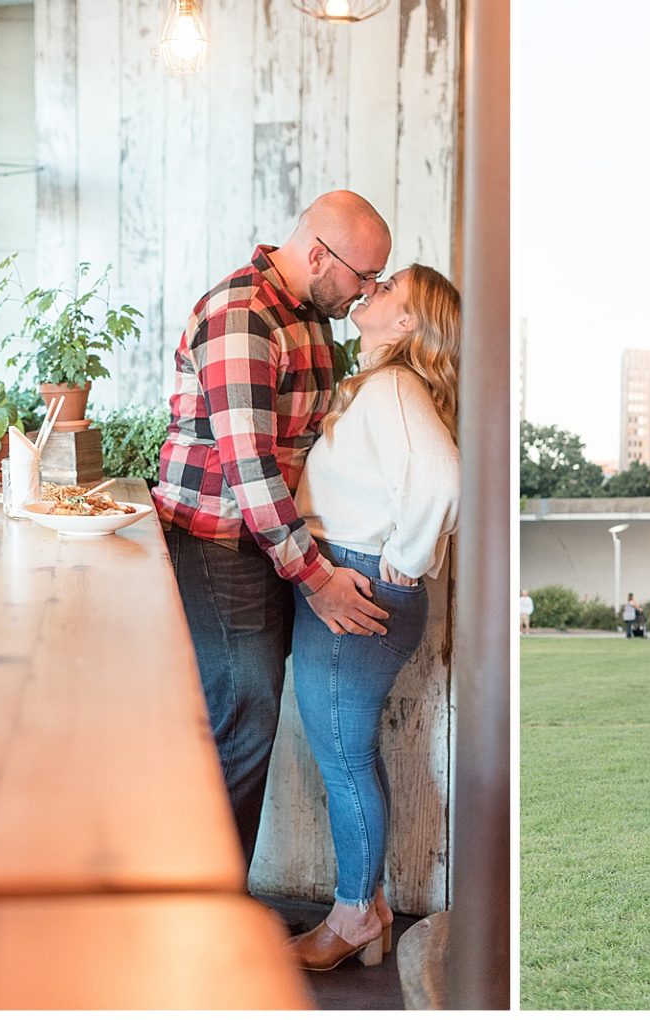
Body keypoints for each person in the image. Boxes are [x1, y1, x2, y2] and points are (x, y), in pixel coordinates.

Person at [154, 191, 392, 874]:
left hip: (265, 548)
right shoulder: (241, 317)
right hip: (217, 545)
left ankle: (212, 911)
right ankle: (209, 925)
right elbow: (250, 470)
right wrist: (317, 581)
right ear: (317, 254)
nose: (366, 290)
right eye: (363, 275)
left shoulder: (308, 315)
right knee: (240, 725)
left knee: (248, 723)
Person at [286, 264, 461, 971]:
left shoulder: (392, 386)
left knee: (345, 762)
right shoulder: (386, 385)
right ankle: (372, 906)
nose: (373, 289)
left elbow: (444, 479)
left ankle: (355, 914)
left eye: (391, 289)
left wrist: (411, 556)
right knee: (353, 758)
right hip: (352, 579)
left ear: (407, 324)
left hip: (354, 586)